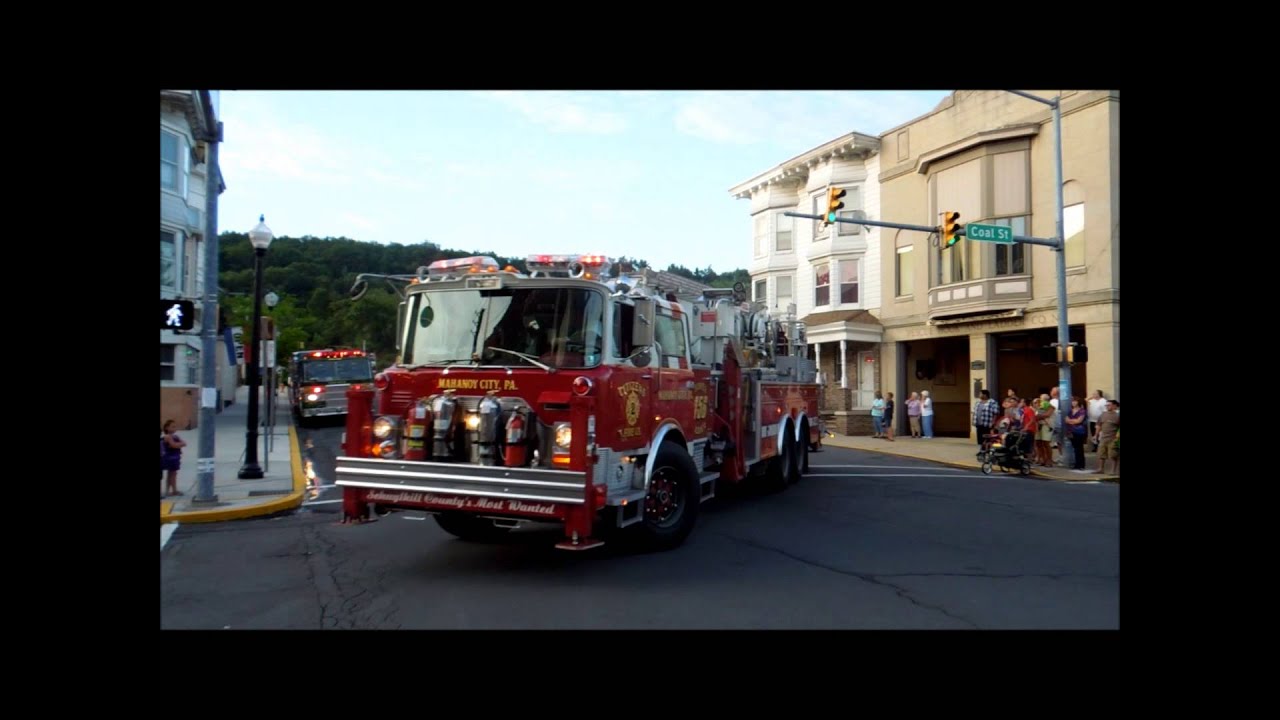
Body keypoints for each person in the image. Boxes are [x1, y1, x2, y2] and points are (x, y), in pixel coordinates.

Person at [161, 419, 186, 497]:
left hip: (175, 457)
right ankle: (173, 490)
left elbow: (184, 443)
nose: (174, 428)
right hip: (170, 458)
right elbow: (173, 445)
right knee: (172, 474)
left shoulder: (175, 436)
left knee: (172, 474)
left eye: (175, 427)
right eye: (172, 427)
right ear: (167, 428)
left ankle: (170, 490)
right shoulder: (167, 437)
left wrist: (178, 444)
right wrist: (179, 444)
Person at [1064, 396, 1088, 470]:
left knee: (1079, 448)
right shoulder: (1070, 411)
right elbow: (1066, 420)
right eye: (1073, 401)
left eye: (1075, 401)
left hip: (1080, 431)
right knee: (1075, 448)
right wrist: (1073, 421)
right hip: (1071, 431)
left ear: (1078, 402)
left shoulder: (1082, 411)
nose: (1073, 402)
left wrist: (1071, 421)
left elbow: (1079, 421)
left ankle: (1081, 465)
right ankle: (1076, 464)